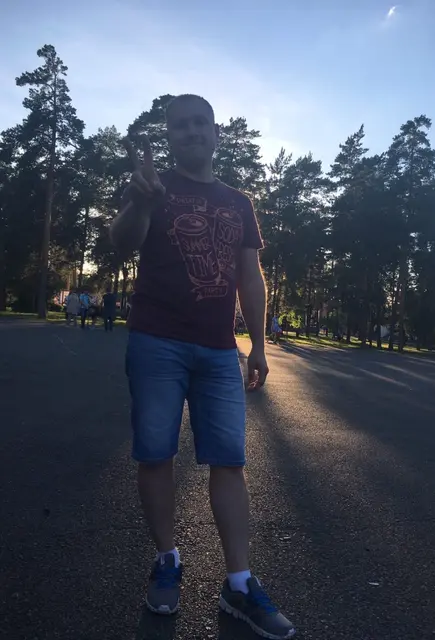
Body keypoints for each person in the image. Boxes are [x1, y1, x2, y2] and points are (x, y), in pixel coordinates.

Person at [110, 94, 295, 639]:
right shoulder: (151, 186)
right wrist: (141, 205)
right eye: (180, 126)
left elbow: (250, 276)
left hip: (218, 350)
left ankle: (238, 583)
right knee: (155, 453)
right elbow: (121, 244)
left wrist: (258, 345)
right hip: (156, 342)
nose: (191, 132)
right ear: (169, 136)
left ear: (216, 134)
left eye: (200, 123)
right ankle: (167, 560)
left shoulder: (239, 202)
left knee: (229, 461)